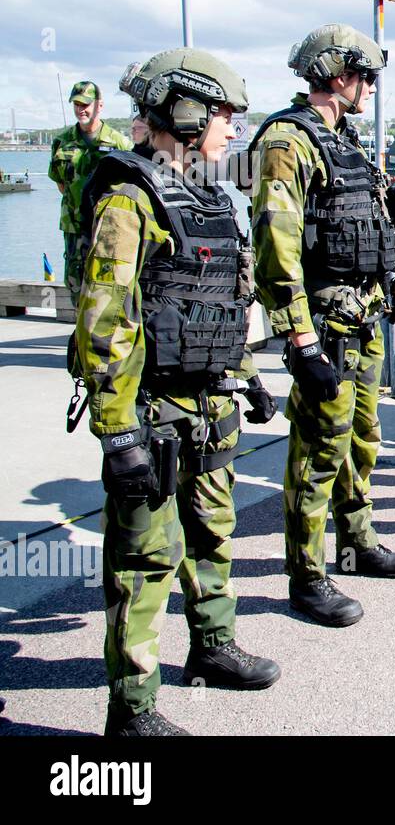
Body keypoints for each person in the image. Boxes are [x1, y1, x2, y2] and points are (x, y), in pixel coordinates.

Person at [81, 50, 280, 735]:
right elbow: (106, 320)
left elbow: (230, 298)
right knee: (143, 559)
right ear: (186, 112)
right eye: (225, 114)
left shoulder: (213, 198)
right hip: (156, 411)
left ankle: (214, 647)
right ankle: (131, 711)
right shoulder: (128, 197)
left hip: (212, 404)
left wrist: (249, 377)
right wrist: (117, 432)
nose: (232, 128)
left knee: (213, 531)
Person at [251, 23, 395, 628]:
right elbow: (276, 244)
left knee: (362, 438)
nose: (371, 88)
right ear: (337, 74)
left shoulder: (342, 139)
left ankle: (355, 542)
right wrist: (300, 339)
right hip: (325, 323)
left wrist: (390, 201)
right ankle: (306, 574)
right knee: (318, 451)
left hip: (363, 315)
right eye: (366, 76)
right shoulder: (287, 141)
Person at [48, 80, 133, 299]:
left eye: (86, 104)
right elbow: (61, 183)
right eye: (76, 104)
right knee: (76, 281)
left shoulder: (118, 143)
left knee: (109, 280)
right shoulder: (62, 142)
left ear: (99, 105)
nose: (81, 109)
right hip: (75, 227)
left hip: (108, 226)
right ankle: (78, 329)